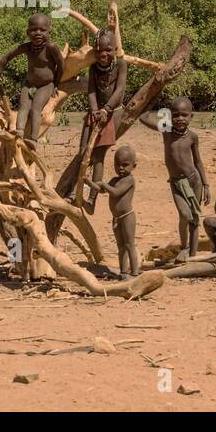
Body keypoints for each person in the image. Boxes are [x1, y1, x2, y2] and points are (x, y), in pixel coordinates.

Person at [140, 97, 209, 259]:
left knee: (194, 218)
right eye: (175, 115)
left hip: (194, 180)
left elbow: (198, 161)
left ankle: (192, 255)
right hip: (177, 182)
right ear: (169, 116)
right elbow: (143, 118)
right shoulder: (166, 131)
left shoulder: (193, 137)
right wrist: (151, 99)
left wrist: (206, 185)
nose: (180, 119)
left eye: (184, 115)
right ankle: (184, 247)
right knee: (185, 214)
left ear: (191, 116)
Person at [0, 13, 64, 141]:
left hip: (46, 85)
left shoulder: (51, 47)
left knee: (35, 109)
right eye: (33, 30)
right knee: (23, 107)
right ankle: (19, 131)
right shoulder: (27, 47)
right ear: (27, 32)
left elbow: (61, 65)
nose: (38, 33)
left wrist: (56, 84)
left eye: (42, 30)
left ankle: (33, 139)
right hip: (29, 84)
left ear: (49, 31)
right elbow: (6, 58)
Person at [78, 29, 127, 213]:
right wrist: (94, 109)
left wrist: (106, 109)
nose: (103, 54)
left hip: (112, 113)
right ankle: (74, 192)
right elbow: (91, 91)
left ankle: (92, 198)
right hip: (95, 111)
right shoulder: (93, 68)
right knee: (83, 152)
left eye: (107, 50)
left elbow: (119, 90)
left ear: (115, 49)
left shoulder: (120, 65)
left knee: (98, 158)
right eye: (98, 51)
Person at [89, 145, 140, 278]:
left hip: (127, 217)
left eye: (125, 165)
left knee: (129, 245)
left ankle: (134, 273)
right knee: (121, 246)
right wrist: (89, 182)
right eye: (118, 165)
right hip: (116, 218)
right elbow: (101, 190)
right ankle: (123, 272)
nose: (121, 168)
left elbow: (115, 192)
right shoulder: (114, 180)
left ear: (134, 166)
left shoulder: (129, 180)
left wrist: (103, 184)